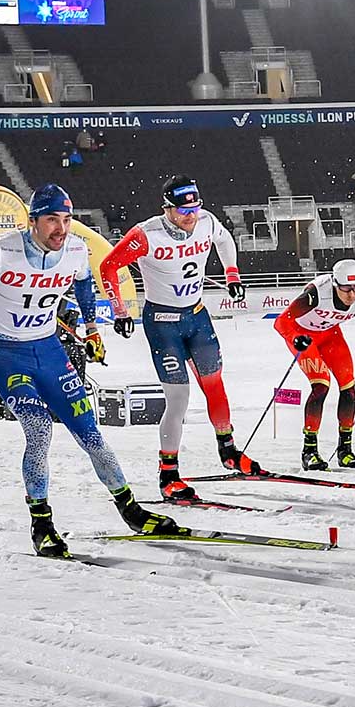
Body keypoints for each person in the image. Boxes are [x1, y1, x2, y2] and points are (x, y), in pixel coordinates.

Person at [0, 183, 182, 557]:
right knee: (38, 430)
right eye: (52, 219)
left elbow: (85, 283)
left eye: (67, 219)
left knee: (91, 433)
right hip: (6, 355)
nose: (61, 228)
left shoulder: (75, 249)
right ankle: (42, 523)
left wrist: (93, 329)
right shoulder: (1, 248)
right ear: (33, 221)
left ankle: (130, 510)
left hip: (50, 351)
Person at [101, 176, 261, 502]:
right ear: (167, 209)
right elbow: (108, 266)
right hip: (163, 324)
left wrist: (232, 274)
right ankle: (169, 475)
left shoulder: (206, 221)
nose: (190, 216)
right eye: (183, 210)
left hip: (198, 317)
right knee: (179, 400)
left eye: (194, 207)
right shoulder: (146, 234)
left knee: (215, 384)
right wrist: (119, 311)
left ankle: (228, 451)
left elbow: (225, 238)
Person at [273, 258, 355, 471]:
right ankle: (309, 452)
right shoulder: (316, 292)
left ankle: (345, 450)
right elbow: (281, 321)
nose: (352, 295)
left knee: (348, 386)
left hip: (330, 336)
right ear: (335, 284)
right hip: (304, 336)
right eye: (345, 289)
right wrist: (295, 337)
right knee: (321, 385)